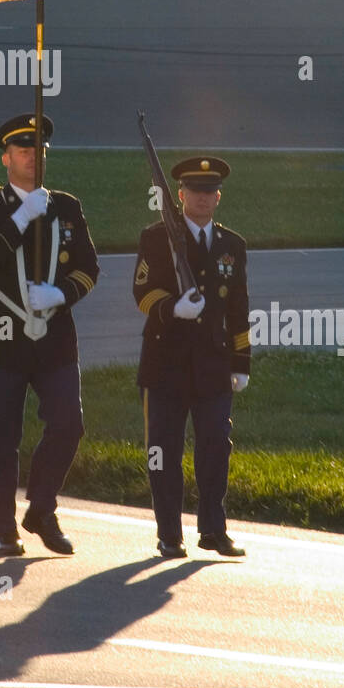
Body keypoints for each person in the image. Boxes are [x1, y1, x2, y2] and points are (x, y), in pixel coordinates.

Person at [0, 114, 99, 556]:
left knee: (68, 424)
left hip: (54, 335)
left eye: (39, 151)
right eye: (23, 151)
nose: (32, 158)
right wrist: (21, 218)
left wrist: (60, 292)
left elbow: (88, 267)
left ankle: (41, 509)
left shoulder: (67, 205)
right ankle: (4, 528)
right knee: (1, 435)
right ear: (6, 158)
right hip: (0, 337)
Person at [132, 157, 251, 559]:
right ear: (180, 195)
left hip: (213, 365)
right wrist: (172, 307)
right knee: (163, 452)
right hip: (166, 363)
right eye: (194, 192)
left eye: (209, 192)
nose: (202, 198)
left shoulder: (232, 245)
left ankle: (213, 530)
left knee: (216, 446)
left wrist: (241, 362)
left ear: (218, 197)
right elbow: (142, 291)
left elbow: (238, 306)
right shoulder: (156, 237)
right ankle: (169, 534)